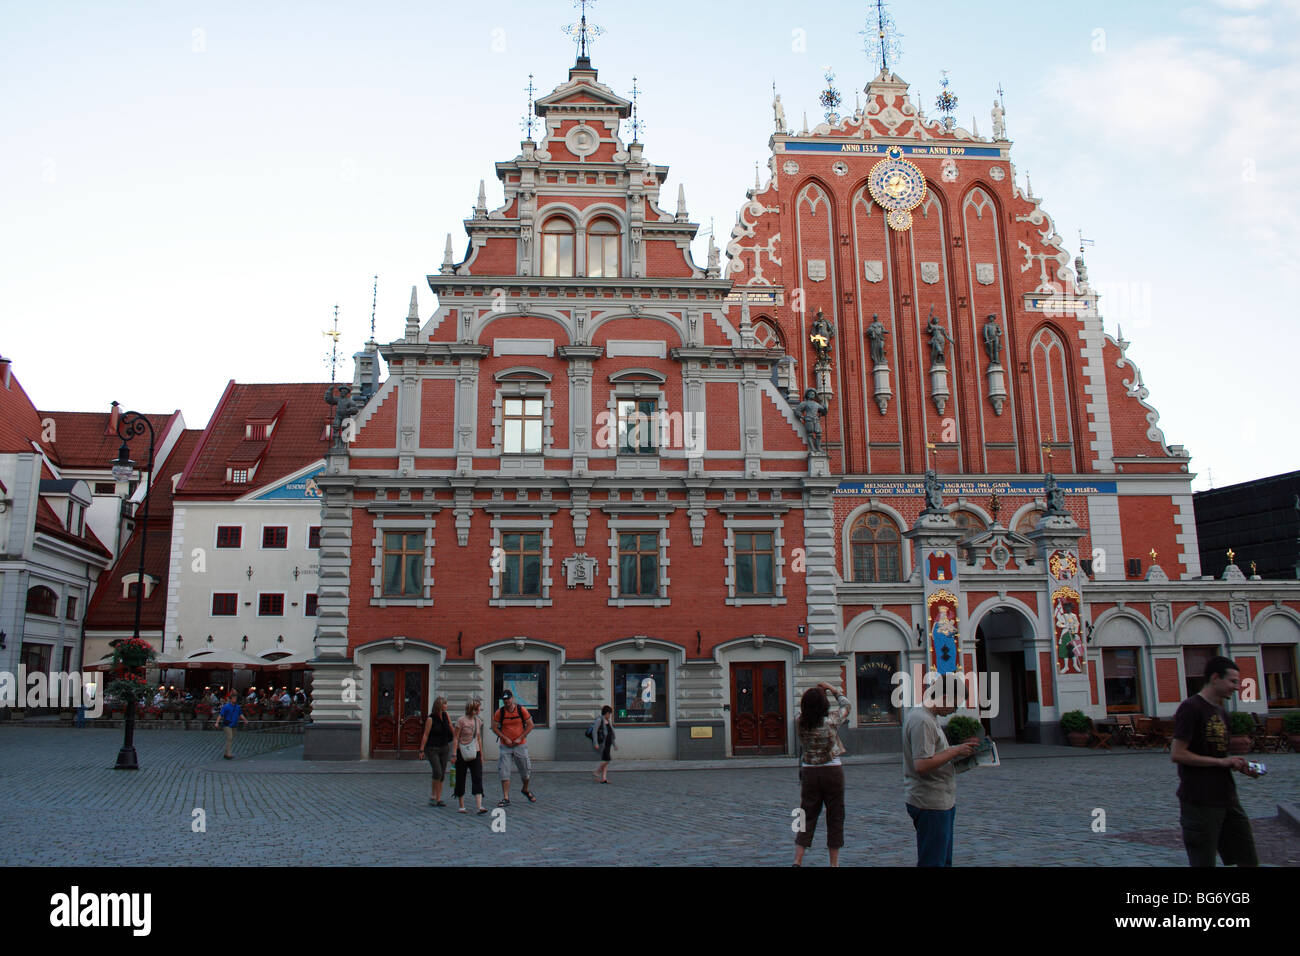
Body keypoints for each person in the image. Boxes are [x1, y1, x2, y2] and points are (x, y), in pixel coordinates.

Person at [1171, 656, 1260, 867]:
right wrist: (1222, 763)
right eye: (1232, 681)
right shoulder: (1191, 708)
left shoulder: (1222, 712)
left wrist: (1239, 765)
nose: (1237, 687)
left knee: (1247, 858)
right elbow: (1178, 754)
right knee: (1203, 862)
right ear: (1215, 678)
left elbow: (1219, 755)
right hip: (1199, 799)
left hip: (1227, 797)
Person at [901, 687, 978, 866]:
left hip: (939, 800)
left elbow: (936, 753)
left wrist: (959, 751)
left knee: (942, 860)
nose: (954, 711)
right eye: (954, 706)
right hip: (930, 801)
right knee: (933, 861)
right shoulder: (922, 720)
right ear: (944, 697)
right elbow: (922, 764)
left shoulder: (928, 717)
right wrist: (955, 751)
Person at [793, 682, 852, 867]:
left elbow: (808, 709)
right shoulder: (832, 720)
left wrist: (816, 693)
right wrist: (833, 690)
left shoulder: (799, 721)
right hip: (832, 770)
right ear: (825, 705)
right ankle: (833, 863)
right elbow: (846, 706)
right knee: (835, 816)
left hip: (809, 771)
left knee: (806, 815)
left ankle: (798, 859)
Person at [492, 690, 536, 805]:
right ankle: (506, 797)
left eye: (508, 699)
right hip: (505, 746)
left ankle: (525, 788)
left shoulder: (521, 710)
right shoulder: (499, 712)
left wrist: (520, 738)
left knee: (526, 770)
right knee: (504, 771)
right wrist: (504, 737)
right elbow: (495, 727)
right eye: (505, 700)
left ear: (512, 698)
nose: (507, 701)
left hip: (520, 745)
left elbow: (530, 725)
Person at [452, 698, 488, 815]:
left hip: (475, 752)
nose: (479, 710)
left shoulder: (478, 721)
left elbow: (479, 738)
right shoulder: (461, 721)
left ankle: (479, 806)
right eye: (478, 708)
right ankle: (461, 806)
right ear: (472, 709)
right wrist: (454, 753)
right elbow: (456, 737)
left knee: (477, 777)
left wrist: (481, 755)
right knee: (461, 778)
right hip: (462, 752)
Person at [419, 695, 454, 807]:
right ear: (439, 705)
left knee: (442, 774)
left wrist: (457, 737)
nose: (446, 706)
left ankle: (438, 798)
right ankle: (433, 795)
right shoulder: (431, 718)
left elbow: (450, 728)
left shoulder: (445, 715)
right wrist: (421, 750)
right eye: (445, 704)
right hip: (432, 748)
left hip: (444, 747)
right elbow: (425, 734)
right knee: (437, 771)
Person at [214, 692, 248, 760]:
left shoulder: (237, 707)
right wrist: (217, 722)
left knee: (231, 738)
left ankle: (226, 753)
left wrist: (245, 720)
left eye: (235, 698)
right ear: (230, 699)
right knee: (230, 737)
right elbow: (221, 715)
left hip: (234, 725)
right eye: (233, 698)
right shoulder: (226, 707)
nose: (235, 700)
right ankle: (228, 754)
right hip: (227, 724)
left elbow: (240, 714)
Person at [590, 705, 616, 783]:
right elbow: (594, 731)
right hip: (603, 744)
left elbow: (611, 733)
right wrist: (596, 743)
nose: (610, 715)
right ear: (606, 713)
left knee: (605, 760)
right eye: (609, 714)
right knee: (607, 760)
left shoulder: (608, 721)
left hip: (608, 743)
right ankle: (597, 772)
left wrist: (614, 744)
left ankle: (604, 778)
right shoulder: (599, 720)